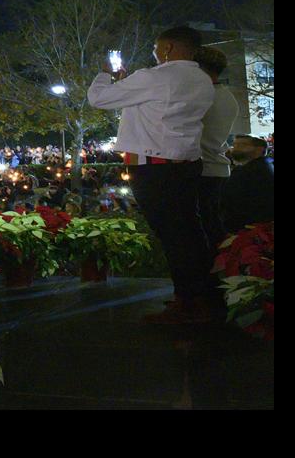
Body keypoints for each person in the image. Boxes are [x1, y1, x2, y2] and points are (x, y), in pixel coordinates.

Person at [88, 25, 218, 325]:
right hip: (185, 163)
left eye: (156, 48)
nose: (154, 53)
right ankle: (198, 295)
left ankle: (187, 303)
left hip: (154, 167)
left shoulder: (154, 77)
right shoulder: (201, 79)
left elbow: (99, 98)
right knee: (189, 232)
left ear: (169, 48)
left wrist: (105, 73)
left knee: (173, 236)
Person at [195, 47, 245, 245]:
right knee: (213, 226)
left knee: (207, 229)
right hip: (217, 168)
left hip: (204, 168)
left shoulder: (204, 97)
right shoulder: (226, 96)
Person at [220, 136, 275, 233]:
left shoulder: (247, 172)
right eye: (235, 144)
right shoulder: (267, 165)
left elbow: (226, 199)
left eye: (242, 145)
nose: (236, 148)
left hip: (247, 228)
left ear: (259, 149)